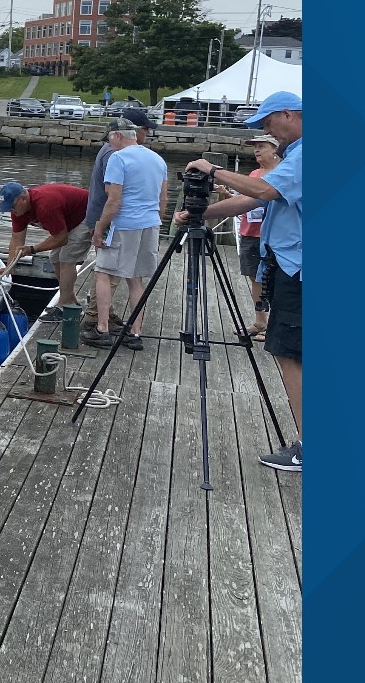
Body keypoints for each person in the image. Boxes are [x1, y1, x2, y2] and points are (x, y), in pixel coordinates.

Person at [176, 91, 302, 472]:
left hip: (298, 267)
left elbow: (265, 190)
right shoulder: (296, 155)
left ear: (287, 114)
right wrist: (198, 212)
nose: (267, 132)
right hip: (289, 264)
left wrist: (212, 170)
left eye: (267, 123)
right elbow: (254, 202)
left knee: (290, 352)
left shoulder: (305, 154)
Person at [91, 116, 169, 350]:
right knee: (136, 279)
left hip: (124, 224)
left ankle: (102, 328)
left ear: (117, 136)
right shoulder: (158, 159)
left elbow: (113, 201)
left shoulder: (118, 158)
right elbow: (163, 199)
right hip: (151, 223)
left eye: (109, 139)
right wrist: (156, 219)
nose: (108, 144)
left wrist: (99, 228)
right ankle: (135, 333)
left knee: (103, 272)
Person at [81, 106, 152, 329]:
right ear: (136, 130)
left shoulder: (109, 149)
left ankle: (105, 313)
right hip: (111, 218)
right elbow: (115, 194)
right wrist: (102, 226)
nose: (147, 135)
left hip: (102, 214)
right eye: (146, 130)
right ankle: (95, 317)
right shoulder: (116, 153)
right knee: (109, 272)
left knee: (110, 271)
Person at [0, 179, 91, 312]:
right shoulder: (18, 212)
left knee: (66, 258)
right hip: (69, 220)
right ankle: (71, 301)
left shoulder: (45, 205)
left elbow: (62, 239)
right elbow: (16, 240)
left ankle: (62, 307)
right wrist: (9, 267)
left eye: (12, 206)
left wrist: (33, 249)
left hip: (87, 214)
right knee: (55, 258)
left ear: (23, 198)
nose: (11, 210)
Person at [228, 134, 282, 341]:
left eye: (262, 146)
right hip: (249, 232)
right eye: (255, 147)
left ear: (275, 149)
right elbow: (244, 202)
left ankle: (274, 326)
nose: (256, 151)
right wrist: (226, 195)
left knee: (275, 280)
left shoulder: (282, 173)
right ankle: (261, 321)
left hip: (271, 236)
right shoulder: (254, 173)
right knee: (254, 277)